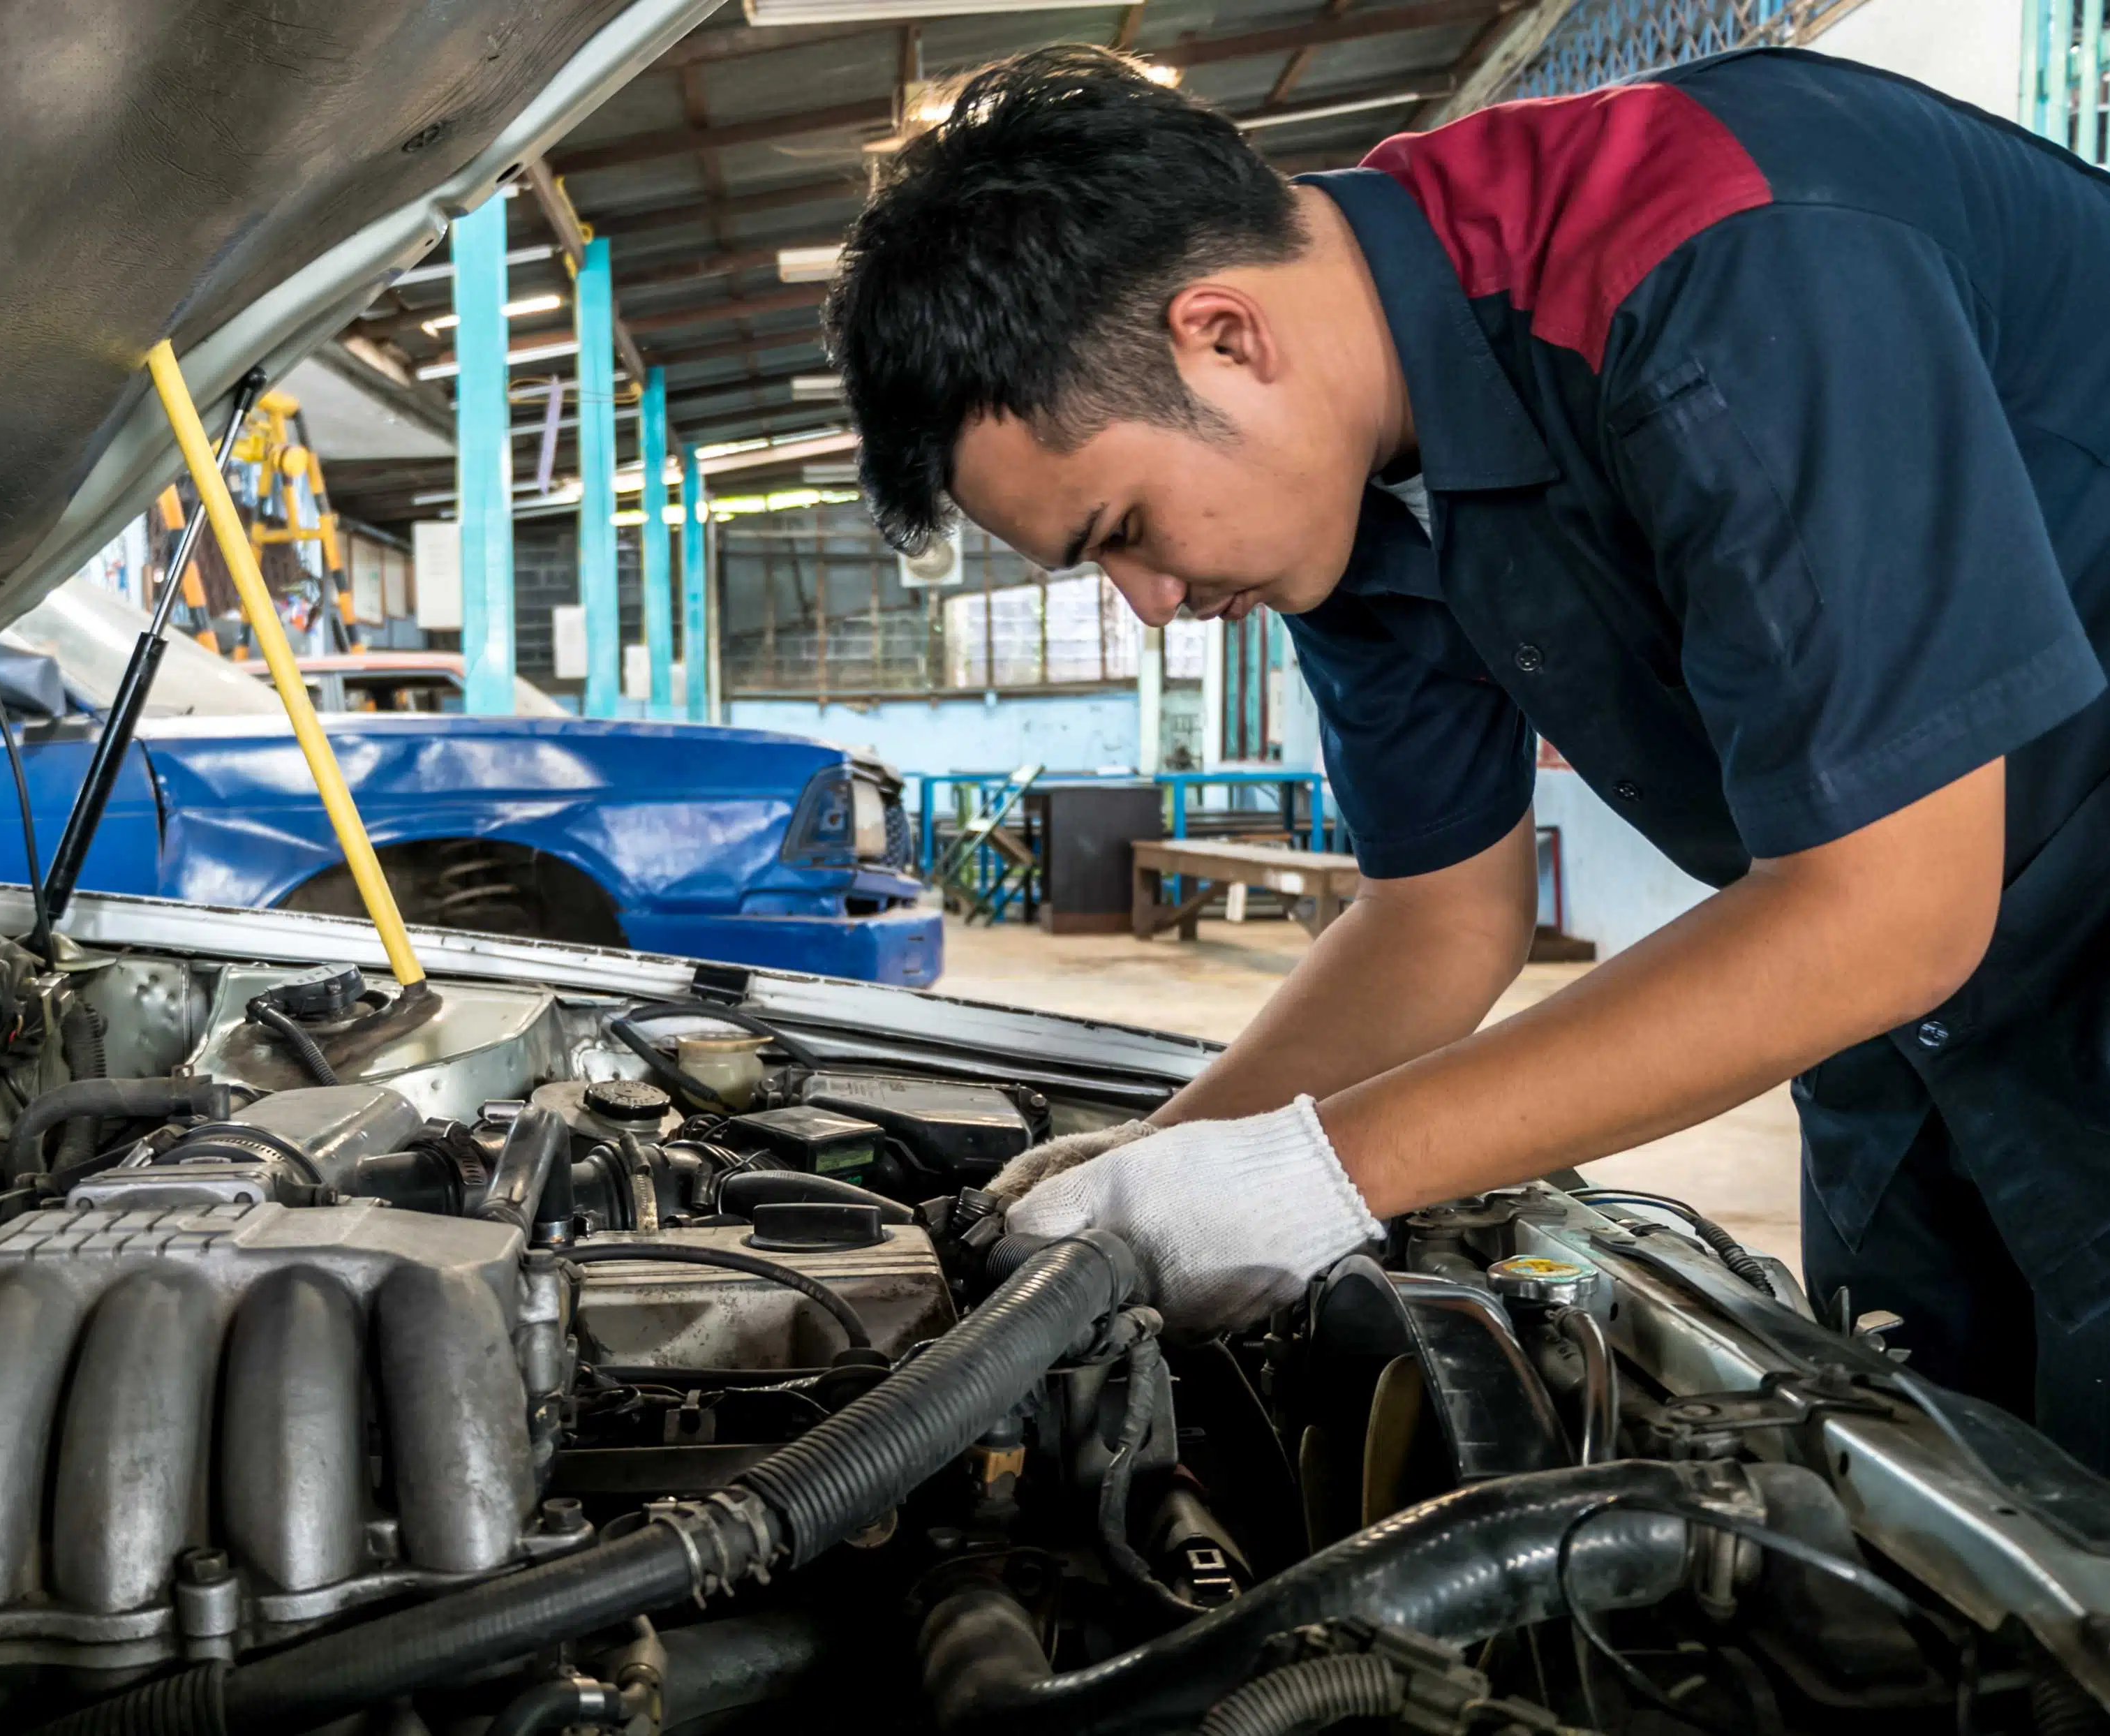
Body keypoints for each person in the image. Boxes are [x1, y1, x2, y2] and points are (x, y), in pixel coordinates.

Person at [825, 44, 2110, 1468]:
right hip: (1910, 1049)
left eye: (1121, 527)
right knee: (1939, 1521)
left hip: (2033, 943)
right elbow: (1440, 918)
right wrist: (1150, 1172)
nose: (1151, 601)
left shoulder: (1715, 256)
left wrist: (1315, 1177)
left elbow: (1883, 909)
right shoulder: (1341, 485)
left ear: (1224, 336)